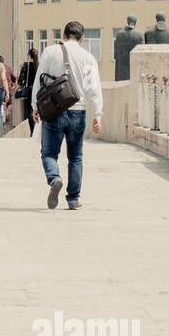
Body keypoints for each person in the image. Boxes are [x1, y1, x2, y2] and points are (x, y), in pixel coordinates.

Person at [32, 21, 103, 211]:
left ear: (63, 35)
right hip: (78, 110)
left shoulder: (50, 52)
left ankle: (54, 178)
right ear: (82, 38)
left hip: (54, 109)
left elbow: (39, 81)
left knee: (48, 153)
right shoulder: (88, 57)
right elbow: (94, 89)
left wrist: (35, 106)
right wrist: (98, 114)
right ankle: (73, 199)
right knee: (76, 157)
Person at [16, 48, 39, 135]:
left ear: (29, 55)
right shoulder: (39, 65)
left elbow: (21, 79)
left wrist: (18, 88)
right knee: (37, 109)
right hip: (37, 90)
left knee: (29, 110)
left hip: (29, 90)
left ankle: (32, 131)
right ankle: (37, 130)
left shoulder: (26, 65)